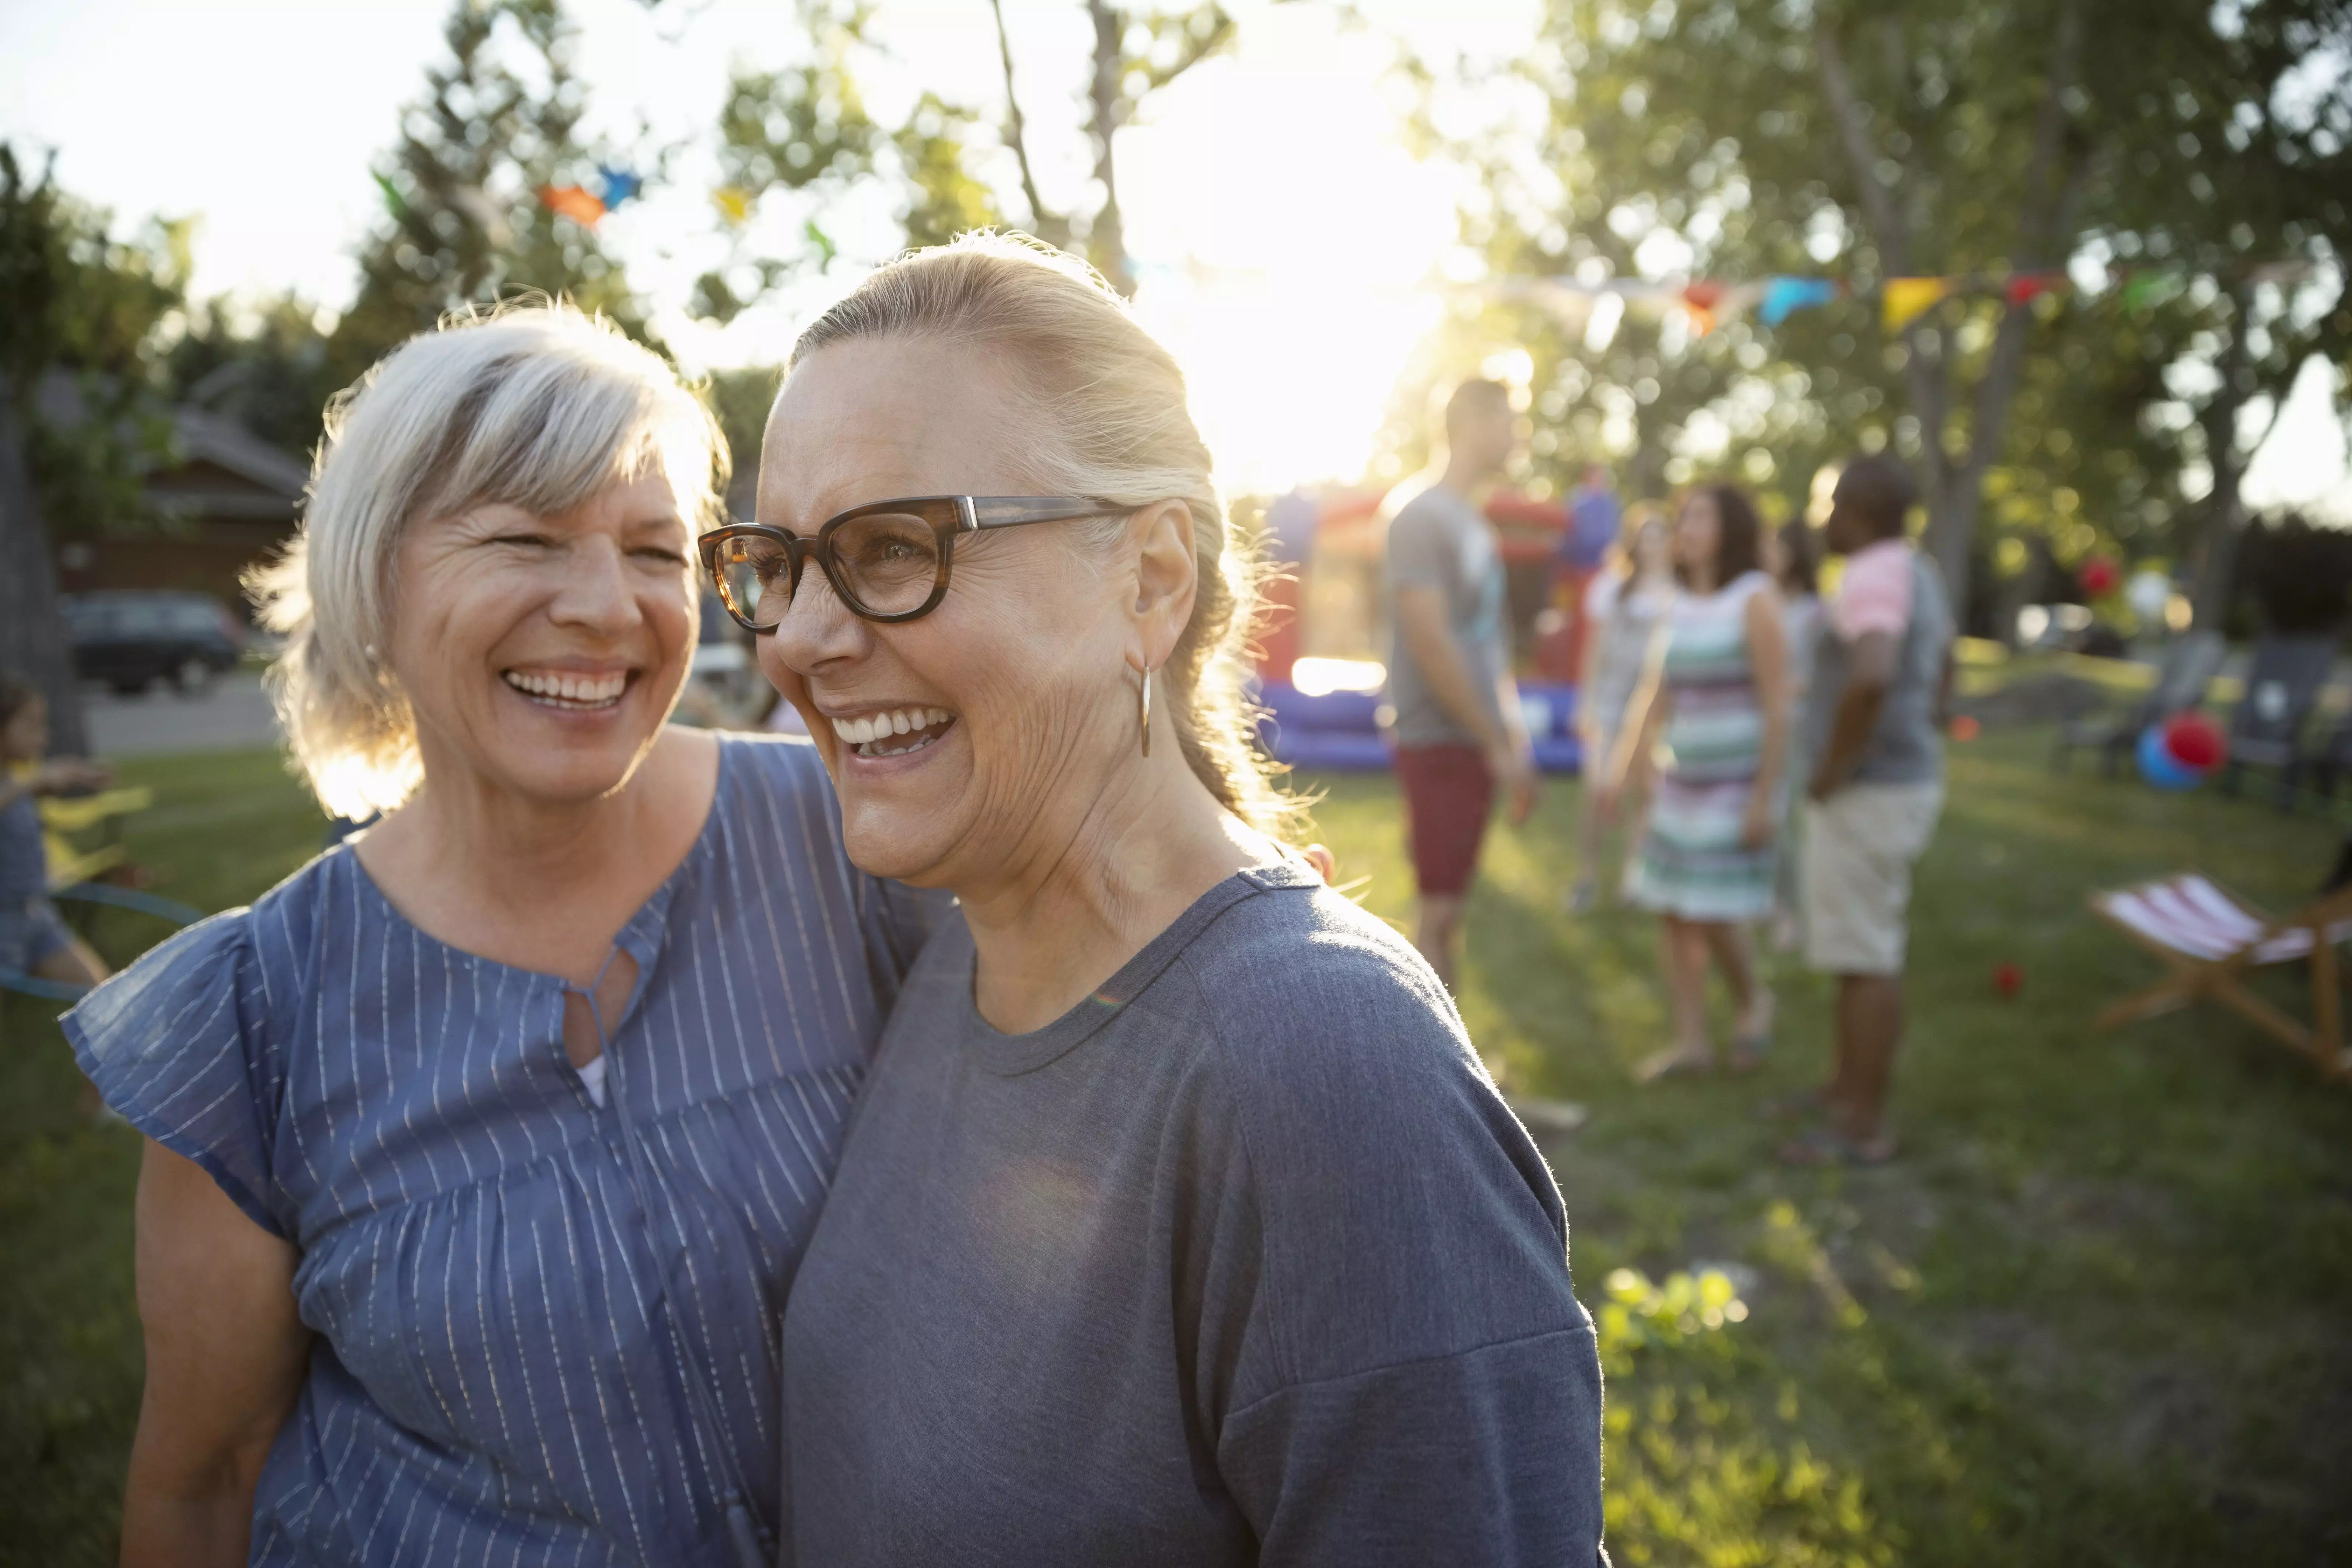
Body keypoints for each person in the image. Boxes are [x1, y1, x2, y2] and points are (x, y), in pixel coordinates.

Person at [718, 234, 1605, 1565]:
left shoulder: (1322, 1074)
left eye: (891, 547)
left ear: (1149, 583)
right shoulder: (938, 954)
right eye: (774, 563)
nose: (793, 636)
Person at [66, 304, 932, 1567]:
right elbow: (204, 1483)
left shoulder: (839, 837)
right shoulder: (252, 1015)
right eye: (526, 538)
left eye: (651, 550)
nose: (604, 607)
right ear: (375, 581)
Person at [1779, 454, 1954, 1166]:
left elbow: (1872, 675)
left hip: (1868, 790)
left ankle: (1860, 1127)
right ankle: (1840, 1089)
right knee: (1855, 951)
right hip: (1896, 782)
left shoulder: (1872, 572)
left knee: (1866, 957)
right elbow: (1941, 667)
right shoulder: (1918, 569)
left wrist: (1831, 768)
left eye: (1825, 505)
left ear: (1853, 513)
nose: (1819, 521)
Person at [1603, 483, 1791, 1081]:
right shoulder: (1675, 604)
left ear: (1730, 526)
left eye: (1699, 515)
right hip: (1680, 786)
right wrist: (1621, 770)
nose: (1685, 526)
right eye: (1681, 516)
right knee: (1671, 910)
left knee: (1711, 910)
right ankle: (1690, 1042)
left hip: (1734, 788)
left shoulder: (1753, 597)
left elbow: (1778, 704)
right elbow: (1652, 694)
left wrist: (1764, 795)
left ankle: (1750, 999)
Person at [1385, 378, 1539, 990]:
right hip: (1438, 738)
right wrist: (1492, 741)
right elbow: (1431, 644)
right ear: (1470, 422)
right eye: (1510, 421)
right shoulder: (1417, 514)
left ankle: (1435, 1062)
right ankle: (1426, 1071)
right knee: (1438, 914)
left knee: (1450, 910)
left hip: (1471, 740)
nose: (1517, 436)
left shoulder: (1472, 522)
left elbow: (1487, 649)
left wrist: (1512, 743)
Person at [1568, 506, 1672, 912]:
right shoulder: (1611, 587)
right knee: (1599, 789)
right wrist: (1587, 702)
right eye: (1646, 535)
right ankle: (1587, 874)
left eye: (1660, 534)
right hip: (1611, 700)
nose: (1653, 543)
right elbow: (1593, 651)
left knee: (1646, 791)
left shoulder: (1678, 590)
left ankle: (1635, 877)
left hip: (1653, 708)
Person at [0, 675, 112, 994]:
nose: (42, 736)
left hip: (37, 915)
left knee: (105, 998)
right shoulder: (21, 783)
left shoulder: (16, 778)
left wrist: (73, 776)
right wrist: (34, 783)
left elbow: (17, 799)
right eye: (31, 724)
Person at [1764, 520, 1825, 949]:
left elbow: (1820, 678)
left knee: (1787, 821)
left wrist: (1782, 687)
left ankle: (1792, 912)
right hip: (1763, 722)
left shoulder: (1815, 612)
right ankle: (1767, 902)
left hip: (1796, 726)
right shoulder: (1763, 602)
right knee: (1765, 817)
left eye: (1775, 548)